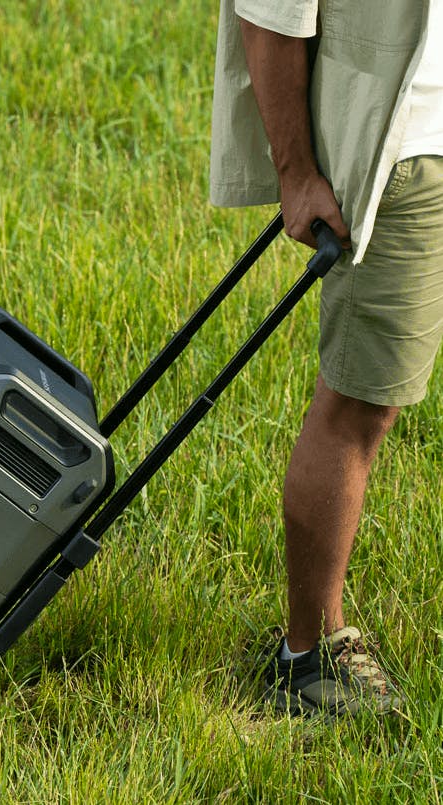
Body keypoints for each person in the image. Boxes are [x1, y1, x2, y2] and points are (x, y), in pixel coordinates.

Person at [210, 0, 443, 715]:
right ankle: (308, 657)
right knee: (360, 403)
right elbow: (268, 11)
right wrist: (295, 170)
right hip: (408, 153)